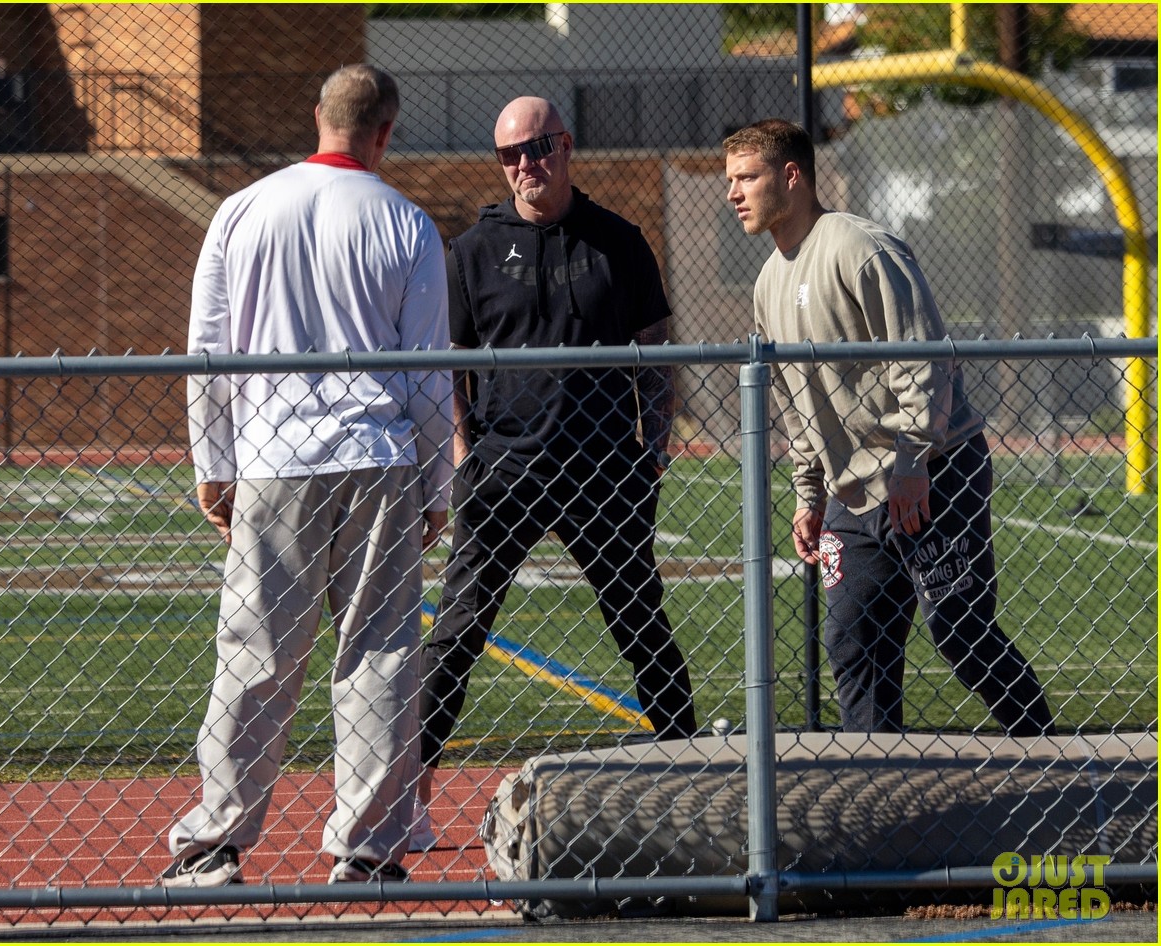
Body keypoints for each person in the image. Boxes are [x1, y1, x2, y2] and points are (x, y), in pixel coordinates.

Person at [162, 64, 453, 887]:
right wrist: (436, 487)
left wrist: (211, 463)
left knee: (254, 655)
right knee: (381, 656)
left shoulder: (243, 209)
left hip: (274, 457)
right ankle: (364, 850)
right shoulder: (406, 221)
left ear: (317, 116)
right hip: (378, 458)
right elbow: (428, 374)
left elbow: (207, 353)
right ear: (386, 132)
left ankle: (215, 842)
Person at [416, 96, 698, 830]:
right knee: (457, 630)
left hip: (605, 470)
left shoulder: (618, 240)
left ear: (566, 146)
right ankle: (406, 786)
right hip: (504, 470)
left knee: (638, 618)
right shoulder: (472, 250)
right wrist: (458, 448)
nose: (525, 166)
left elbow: (657, 349)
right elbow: (452, 360)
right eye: (510, 154)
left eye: (538, 148)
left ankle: (692, 768)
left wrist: (654, 447)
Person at [723, 119, 1055, 736]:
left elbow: (922, 358)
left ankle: (1053, 768)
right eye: (731, 180)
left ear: (791, 176)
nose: (733, 193)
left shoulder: (858, 246)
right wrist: (809, 495)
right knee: (853, 644)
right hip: (853, 499)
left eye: (747, 177)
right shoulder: (768, 282)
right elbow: (798, 404)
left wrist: (910, 465)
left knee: (961, 632)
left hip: (933, 474)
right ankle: (880, 787)